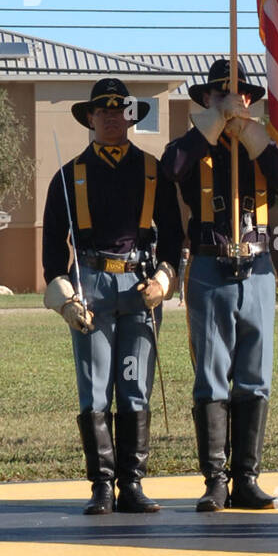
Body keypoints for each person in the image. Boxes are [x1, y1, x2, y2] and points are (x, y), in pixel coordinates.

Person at [160, 59, 278, 511]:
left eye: (237, 96)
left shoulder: (262, 146)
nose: (231, 104)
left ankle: (247, 478)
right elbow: (169, 170)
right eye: (220, 96)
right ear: (206, 100)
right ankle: (215, 480)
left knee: (254, 376)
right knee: (212, 375)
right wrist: (210, 128)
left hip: (257, 267)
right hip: (209, 266)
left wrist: (255, 138)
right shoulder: (191, 147)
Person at [42, 78, 183, 515]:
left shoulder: (152, 170)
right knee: (95, 389)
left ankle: (133, 484)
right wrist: (65, 299)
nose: (108, 118)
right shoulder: (69, 176)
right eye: (99, 112)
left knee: (135, 387)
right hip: (92, 289)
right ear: (90, 118)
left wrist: (164, 280)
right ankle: (102, 485)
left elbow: (174, 238)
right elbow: (51, 250)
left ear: (129, 116)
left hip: (140, 289)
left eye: (116, 110)